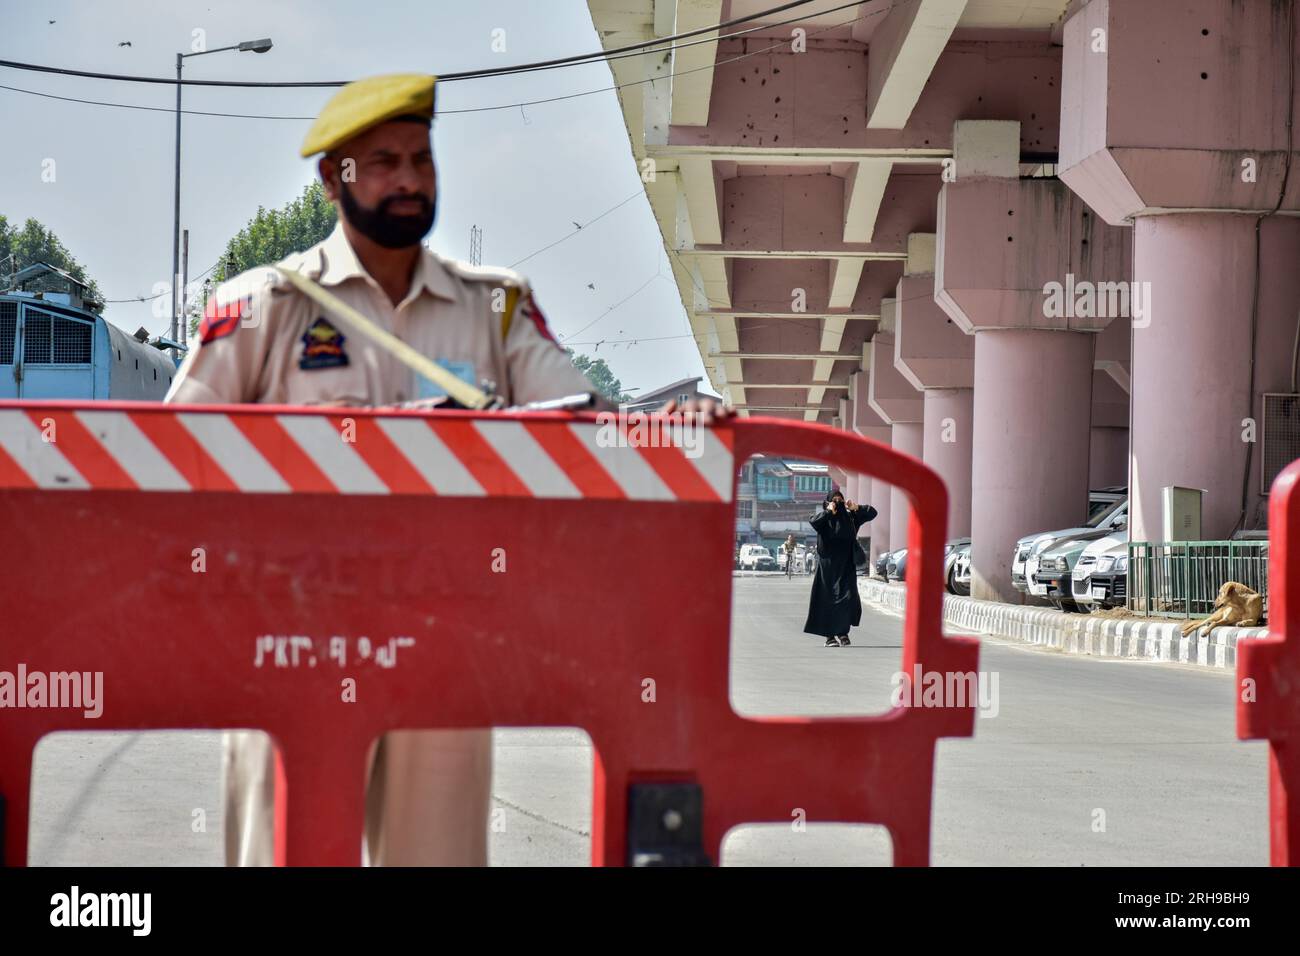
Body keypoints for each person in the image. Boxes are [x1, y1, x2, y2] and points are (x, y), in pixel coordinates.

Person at [165, 73, 730, 865]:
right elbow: (168, 461)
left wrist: (663, 429)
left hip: (444, 643)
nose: (409, 180)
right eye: (386, 161)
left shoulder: (493, 307)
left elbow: (578, 428)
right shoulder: (264, 308)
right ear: (334, 179)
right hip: (292, 647)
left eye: (422, 160)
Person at [804, 488, 878, 647]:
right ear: (829, 502)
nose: (838, 502)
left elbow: (872, 513)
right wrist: (829, 512)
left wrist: (856, 507)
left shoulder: (851, 517)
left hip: (846, 564)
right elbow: (814, 522)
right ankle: (829, 636)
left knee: (848, 598)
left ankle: (842, 632)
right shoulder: (824, 518)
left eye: (840, 499)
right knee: (827, 599)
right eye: (835, 499)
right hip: (828, 566)